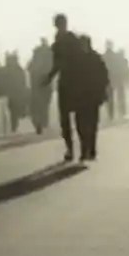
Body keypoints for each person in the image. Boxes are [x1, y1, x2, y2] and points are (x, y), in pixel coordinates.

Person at [44, 14, 85, 161]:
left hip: (67, 83)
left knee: (67, 119)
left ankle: (71, 149)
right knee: (76, 118)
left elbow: (58, 64)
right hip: (75, 83)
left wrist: (49, 78)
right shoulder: (72, 40)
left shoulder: (60, 42)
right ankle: (78, 148)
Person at [74, 35, 110, 160]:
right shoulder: (75, 59)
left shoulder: (96, 59)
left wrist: (102, 92)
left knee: (92, 124)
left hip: (93, 96)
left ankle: (91, 149)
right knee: (80, 125)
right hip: (79, 97)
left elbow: (104, 77)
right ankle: (84, 148)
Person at [0, 51, 30, 133]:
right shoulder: (19, 69)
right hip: (16, 93)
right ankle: (14, 126)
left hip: (13, 94)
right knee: (14, 111)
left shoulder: (7, 69)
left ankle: (14, 126)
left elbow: (0, 80)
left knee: (13, 111)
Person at [27, 38, 54, 133]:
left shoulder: (38, 56)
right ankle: (43, 123)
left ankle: (40, 123)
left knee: (39, 105)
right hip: (44, 84)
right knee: (44, 105)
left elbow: (29, 68)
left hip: (38, 85)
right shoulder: (48, 55)